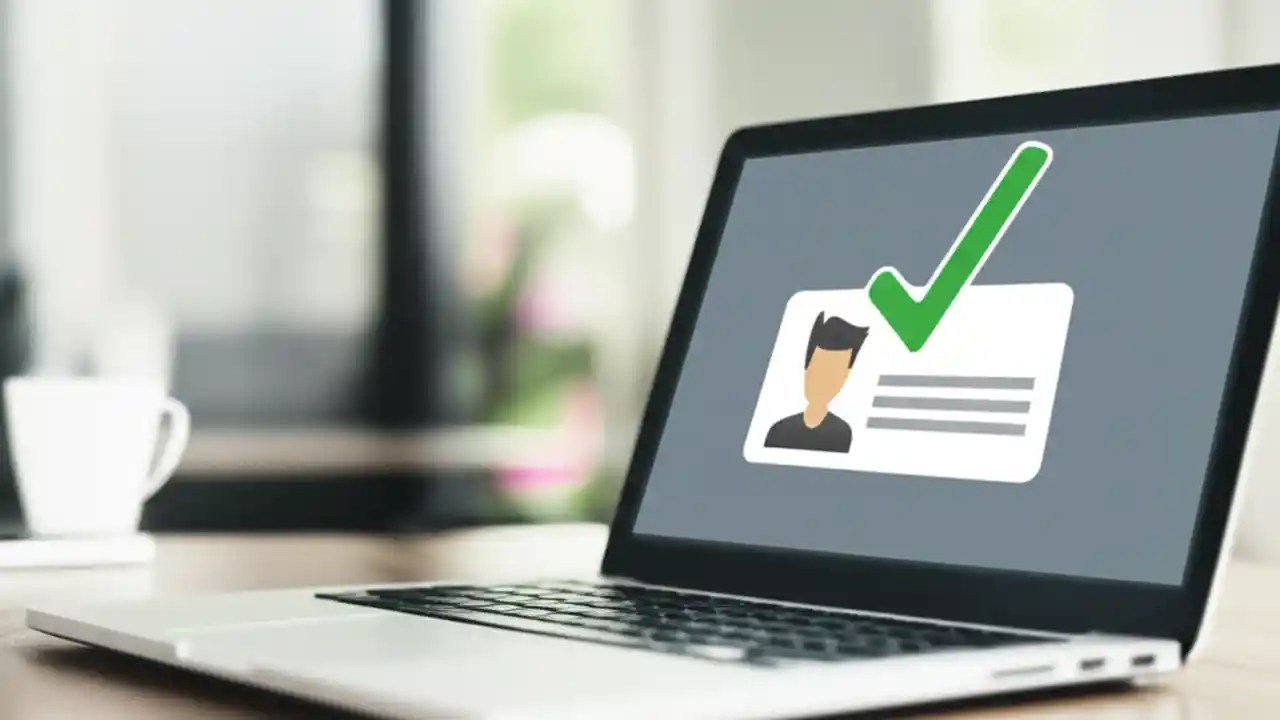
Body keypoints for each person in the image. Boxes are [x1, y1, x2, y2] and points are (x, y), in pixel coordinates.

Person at [764, 312, 868, 453]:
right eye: (818, 369)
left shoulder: (841, 433)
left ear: (845, 378)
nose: (822, 381)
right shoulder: (779, 430)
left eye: (833, 373)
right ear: (806, 369)